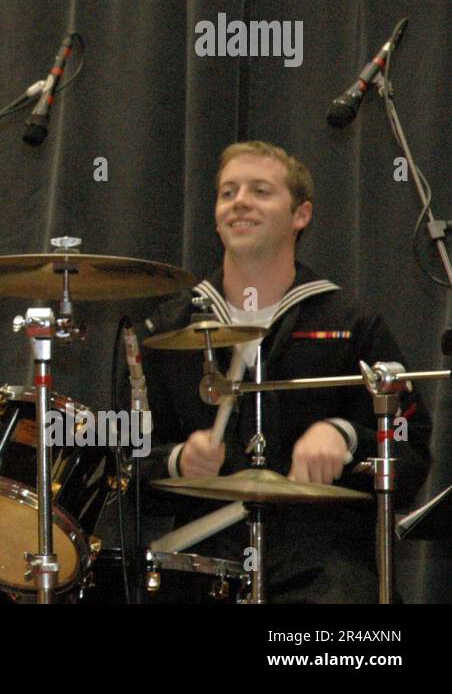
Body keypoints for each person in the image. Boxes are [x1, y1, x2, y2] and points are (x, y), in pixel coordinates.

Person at [138, 141, 431, 603]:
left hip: (324, 562)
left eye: (260, 190)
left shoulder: (350, 323)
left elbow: (410, 448)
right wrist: (176, 461)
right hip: (204, 563)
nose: (240, 202)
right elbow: (122, 466)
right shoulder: (167, 329)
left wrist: (347, 436)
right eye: (228, 192)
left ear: (301, 215)